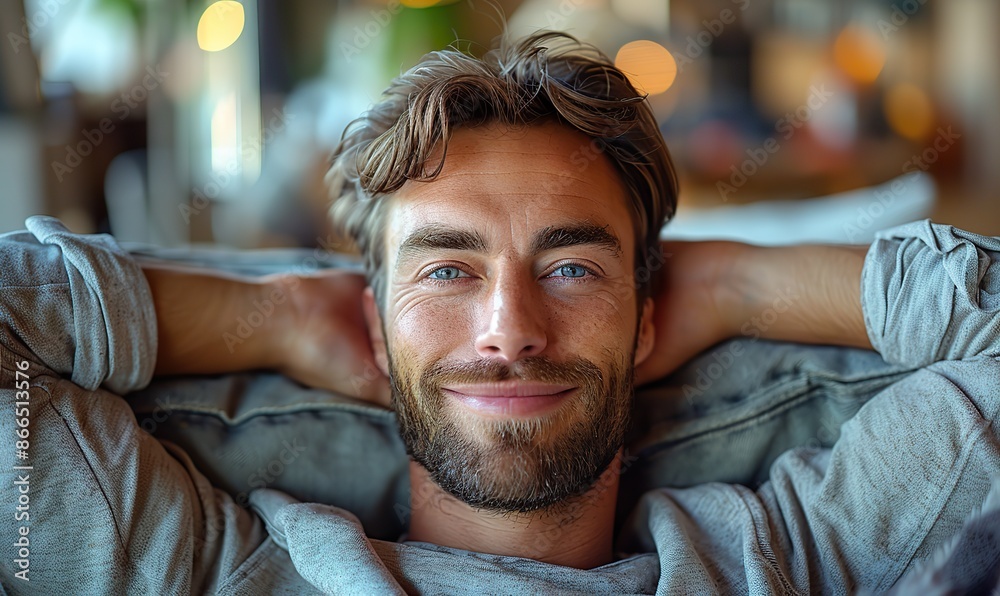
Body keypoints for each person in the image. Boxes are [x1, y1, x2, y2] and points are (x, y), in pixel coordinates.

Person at [2, 30, 999, 594]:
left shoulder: (787, 560)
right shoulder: (213, 571)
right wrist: (273, 314)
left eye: (571, 268)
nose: (510, 327)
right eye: (445, 271)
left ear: (648, 319)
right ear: (373, 325)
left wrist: (743, 281)